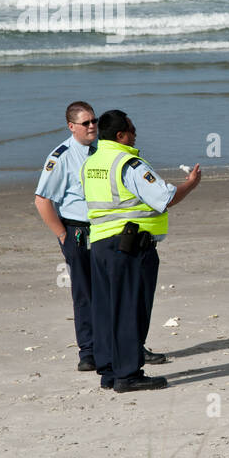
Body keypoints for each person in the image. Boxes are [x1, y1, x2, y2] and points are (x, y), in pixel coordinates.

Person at [83, 110, 201, 392]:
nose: (136, 134)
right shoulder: (129, 163)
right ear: (121, 135)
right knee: (130, 310)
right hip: (129, 246)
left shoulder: (93, 161)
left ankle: (110, 370)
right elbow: (166, 197)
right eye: (133, 129)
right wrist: (191, 184)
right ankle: (128, 374)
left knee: (106, 309)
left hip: (100, 243)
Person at [34, 102, 100, 372]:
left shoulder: (104, 149)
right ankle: (88, 350)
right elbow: (42, 200)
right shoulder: (61, 157)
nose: (92, 126)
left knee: (116, 289)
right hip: (77, 231)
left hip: (106, 228)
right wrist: (62, 235)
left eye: (94, 120)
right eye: (86, 123)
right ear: (71, 126)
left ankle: (127, 343)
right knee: (84, 292)